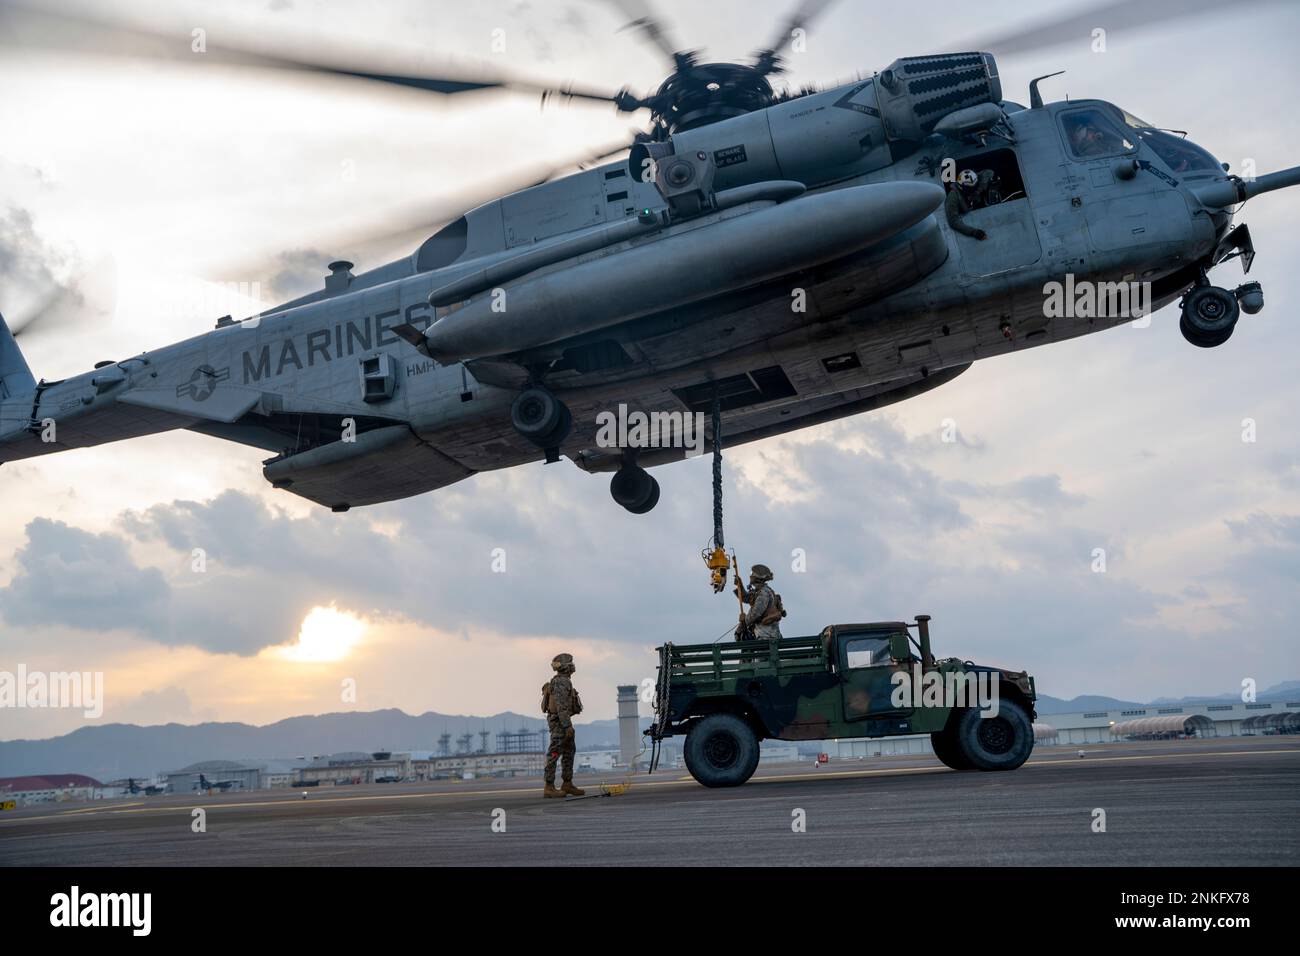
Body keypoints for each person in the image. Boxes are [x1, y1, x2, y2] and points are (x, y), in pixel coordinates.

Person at [542, 653, 585, 798]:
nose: (573, 666)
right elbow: (561, 707)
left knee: (569, 752)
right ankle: (549, 786)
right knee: (554, 753)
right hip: (560, 723)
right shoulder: (561, 682)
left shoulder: (564, 681)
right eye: (571, 663)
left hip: (563, 722)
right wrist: (567, 726)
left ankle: (567, 783)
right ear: (565, 666)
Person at [738, 564, 786, 641]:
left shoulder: (764, 593)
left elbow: (755, 613)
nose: (750, 576)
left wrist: (742, 625)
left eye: (752, 574)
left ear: (757, 577)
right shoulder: (760, 591)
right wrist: (739, 586)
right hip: (766, 635)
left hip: (766, 636)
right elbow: (746, 598)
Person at [944, 168, 994, 240]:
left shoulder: (973, 180)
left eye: (975, 186)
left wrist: (978, 190)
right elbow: (953, 221)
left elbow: (989, 172)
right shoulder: (952, 197)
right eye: (971, 188)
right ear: (963, 187)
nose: (973, 190)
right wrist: (974, 232)